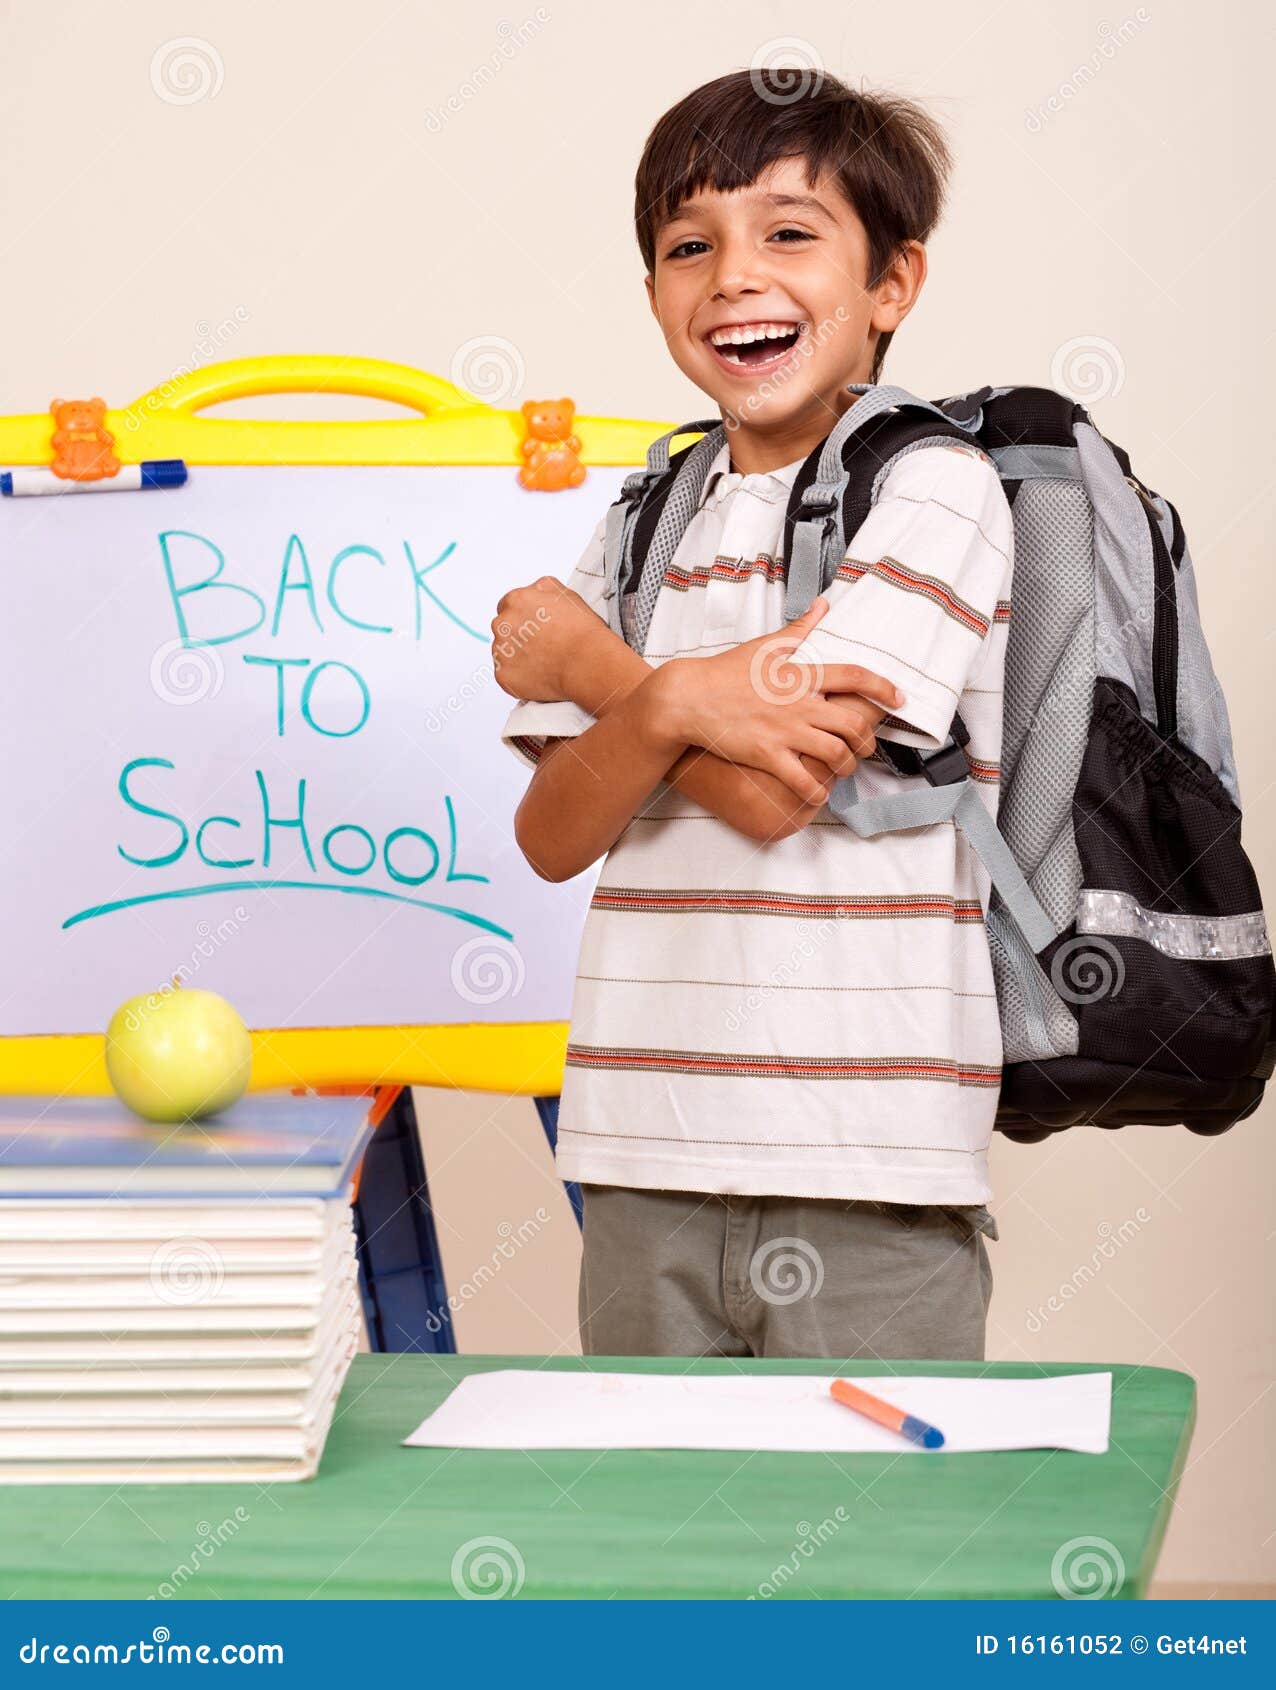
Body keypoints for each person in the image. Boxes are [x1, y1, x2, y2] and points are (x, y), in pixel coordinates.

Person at [491, 68, 1013, 1362]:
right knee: (660, 1555)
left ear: (891, 284)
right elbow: (554, 832)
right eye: (688, 245)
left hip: (866, 1162)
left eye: (789, 232)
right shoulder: (647, 512)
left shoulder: (931, 491)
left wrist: (632, 683)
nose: (734, 275)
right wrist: (689, 701)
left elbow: (780, 796)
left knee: (876, 1552)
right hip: (633, 1146)